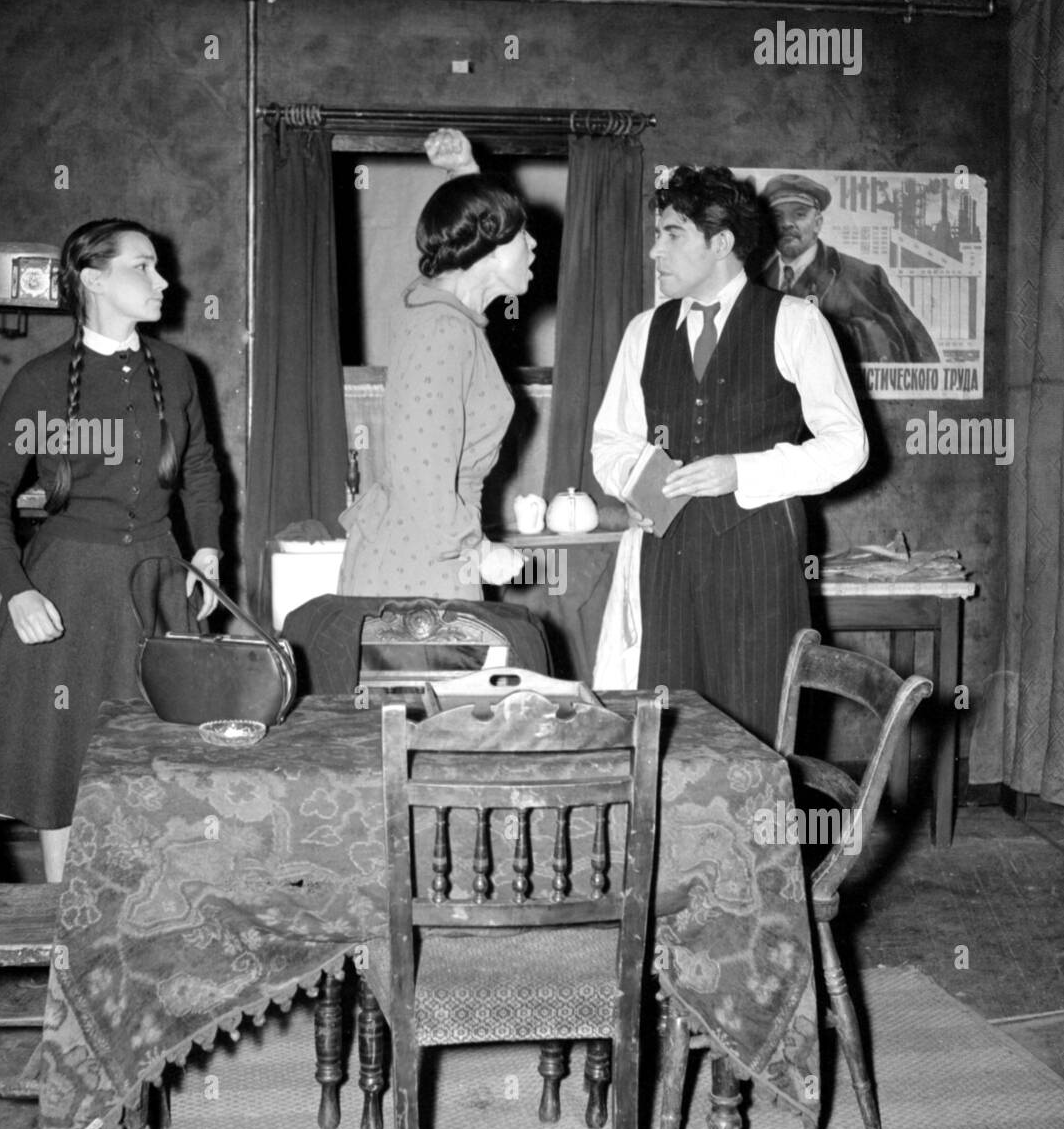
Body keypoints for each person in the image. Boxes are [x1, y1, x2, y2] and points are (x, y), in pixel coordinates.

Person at [0, 218, 223, 881]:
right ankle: (66, 925)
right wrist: (17, 587)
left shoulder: (177, 368)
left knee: (162, 757)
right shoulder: (41, 381)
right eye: (145, 266)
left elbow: (200, 471)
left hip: (159, 584)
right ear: (93, 279)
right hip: (69, 589)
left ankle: (149, 916)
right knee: (66, 759)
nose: (165, 280)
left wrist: (208, 554)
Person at [592, 165, 868, 742]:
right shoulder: (644, 330)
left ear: (720, 244)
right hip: (664, 558)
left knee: (758, 718)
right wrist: (638, 488)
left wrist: (740, 471)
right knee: (665, 721)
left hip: (758, 557)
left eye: (671, 234)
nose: (654, 251)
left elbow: (848, 446)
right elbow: (612, 443)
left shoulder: (795, 321)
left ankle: (763, 835)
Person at [338, 129, 532, 599]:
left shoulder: (439, 313)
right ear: (489, 246)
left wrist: (465, 174)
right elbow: (422, 480)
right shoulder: (442, 332)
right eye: (522, 234)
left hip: (431, 555)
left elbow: (464, 244)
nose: (534, 246)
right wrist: (482, 551)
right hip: (420, 568)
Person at [758, 173, 939, 365]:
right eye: (777, 216)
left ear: (818, 223)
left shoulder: (864, 277)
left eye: (799, 214)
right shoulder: (756, 281)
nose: (787, 224)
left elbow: (918, 346)